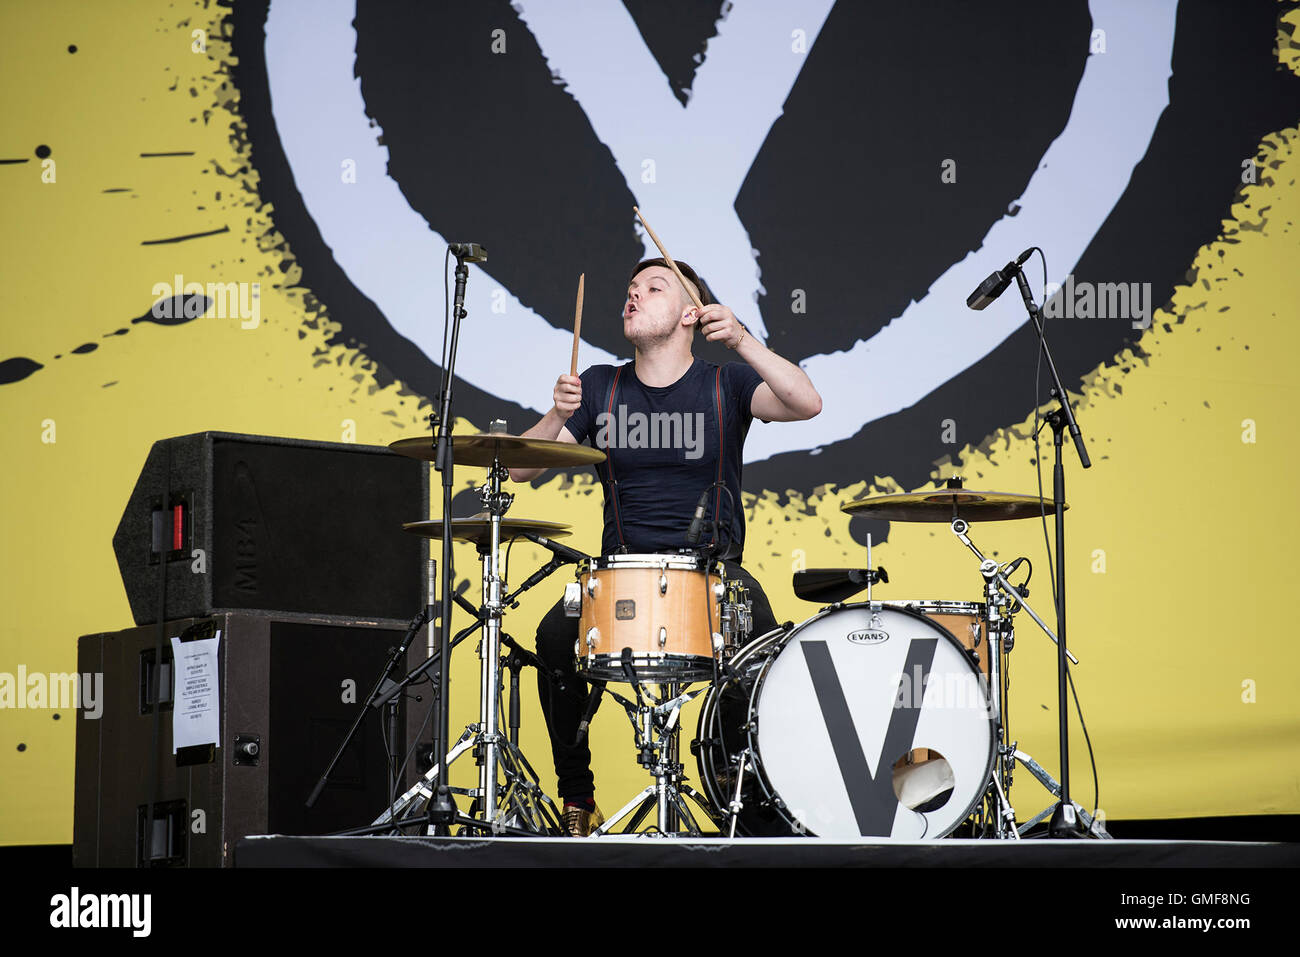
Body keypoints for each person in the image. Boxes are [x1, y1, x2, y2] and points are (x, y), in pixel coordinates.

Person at [509, 257, 822, 836]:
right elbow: (522, 471)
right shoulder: (601, 385)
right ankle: (577, 797)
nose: (634, 296)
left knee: (764, 657)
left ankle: (749, 802)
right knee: (555, 637)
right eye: (630, 288)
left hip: (713, 574)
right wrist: (558, 412)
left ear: (689, 314)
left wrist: (745, 339)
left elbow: (807, 403)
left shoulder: (727, 382)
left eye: (653, 289)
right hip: (620, 573)